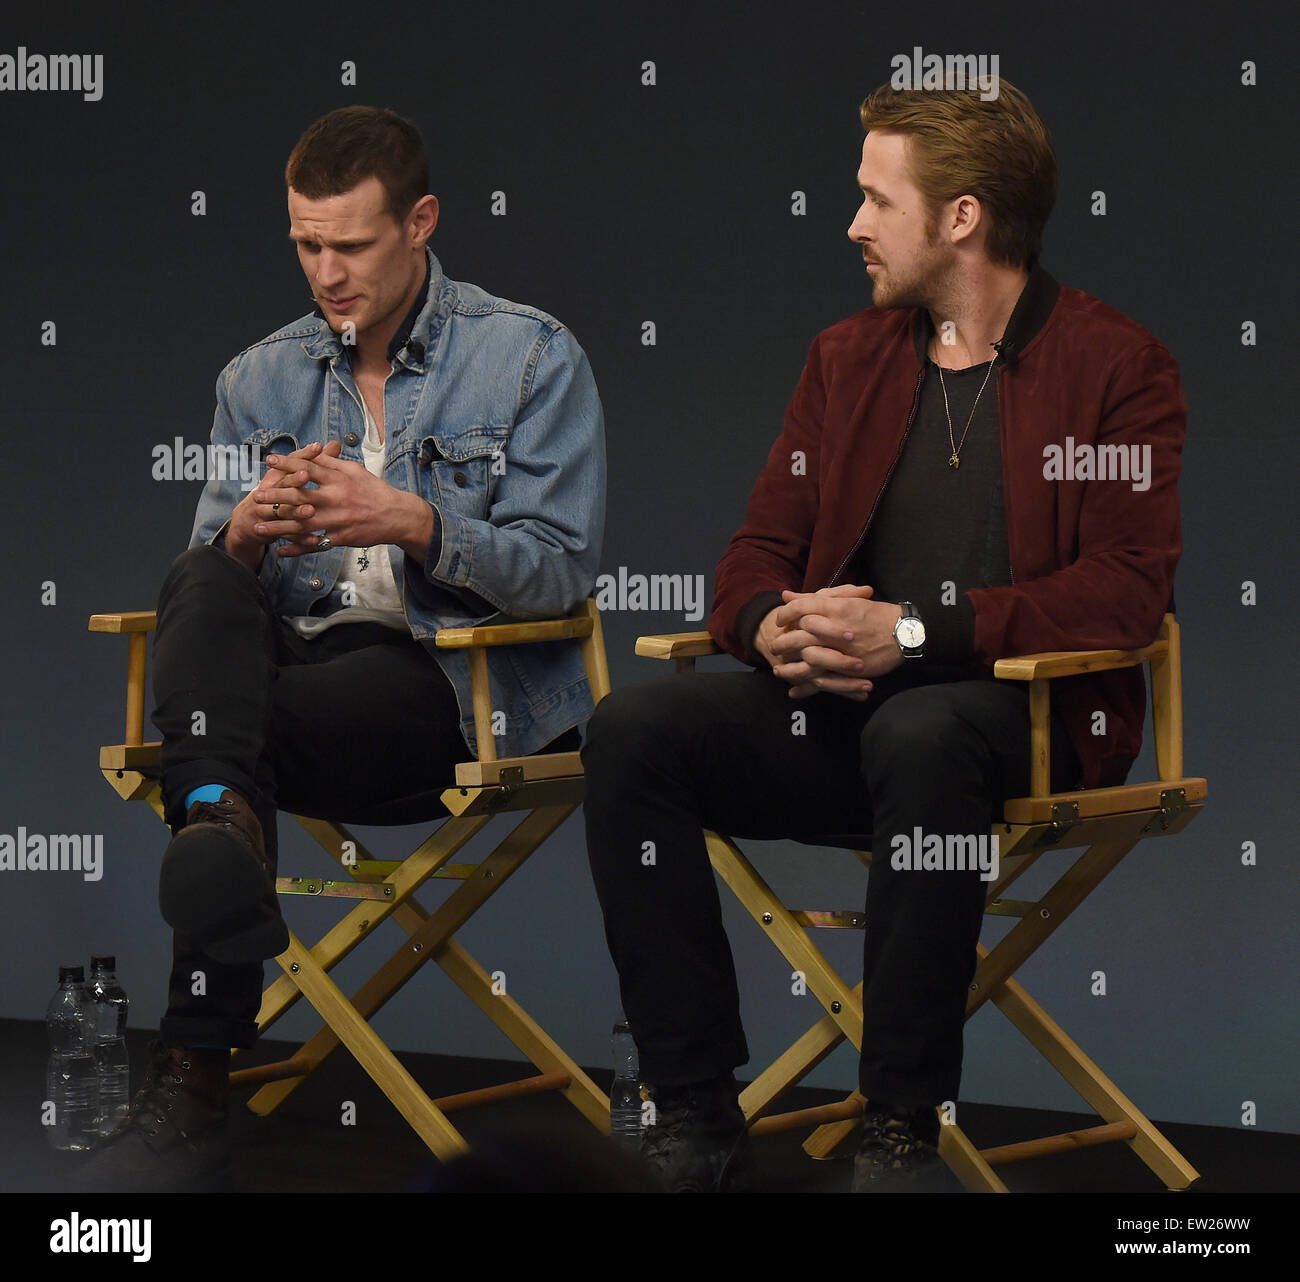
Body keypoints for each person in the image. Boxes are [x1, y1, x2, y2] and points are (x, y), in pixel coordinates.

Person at [582, 80, 1185, 1193]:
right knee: (631, 728)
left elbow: (1122, 593)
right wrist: (775, 627)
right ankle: (693, 1105)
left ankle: (901, 1127)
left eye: (873, 199)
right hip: (838, 721)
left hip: (1020, 724)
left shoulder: (1116, 367)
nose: (850, 224)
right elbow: (754, 554)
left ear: (961, 217)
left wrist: (908, 628)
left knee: (924, 732)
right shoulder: (845, 359)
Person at [79, 106, 605, 1192]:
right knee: (199, 577)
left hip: (444, 688)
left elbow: (560, 576)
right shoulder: (256, 380)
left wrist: (413, 521)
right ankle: (222, 814)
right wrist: (245, 529)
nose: (326, 272)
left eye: (351, 246)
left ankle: (193, 1072)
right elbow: (208, 594)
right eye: (306, 245)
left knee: (216, 749)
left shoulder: (528, 356)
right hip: (285, 673)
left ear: (420, 223)